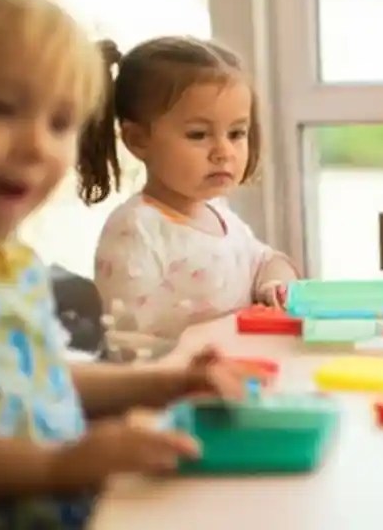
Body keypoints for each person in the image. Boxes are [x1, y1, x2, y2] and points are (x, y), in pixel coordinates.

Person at [0, 0, 243, 527]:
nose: (36, 145)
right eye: (1, 109)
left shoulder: (6, 266)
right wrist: (61, 467)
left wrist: (161, 383)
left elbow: (35, 376)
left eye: (59, 123)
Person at [79, 36, 298, 338]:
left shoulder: (220, 215)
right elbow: (127, 346)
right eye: (198, 134)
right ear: (138, 140)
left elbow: (267, 261)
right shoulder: (136, 230)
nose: (224, 151)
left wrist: (274, 285)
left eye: (236, 133)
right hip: (182, 382)